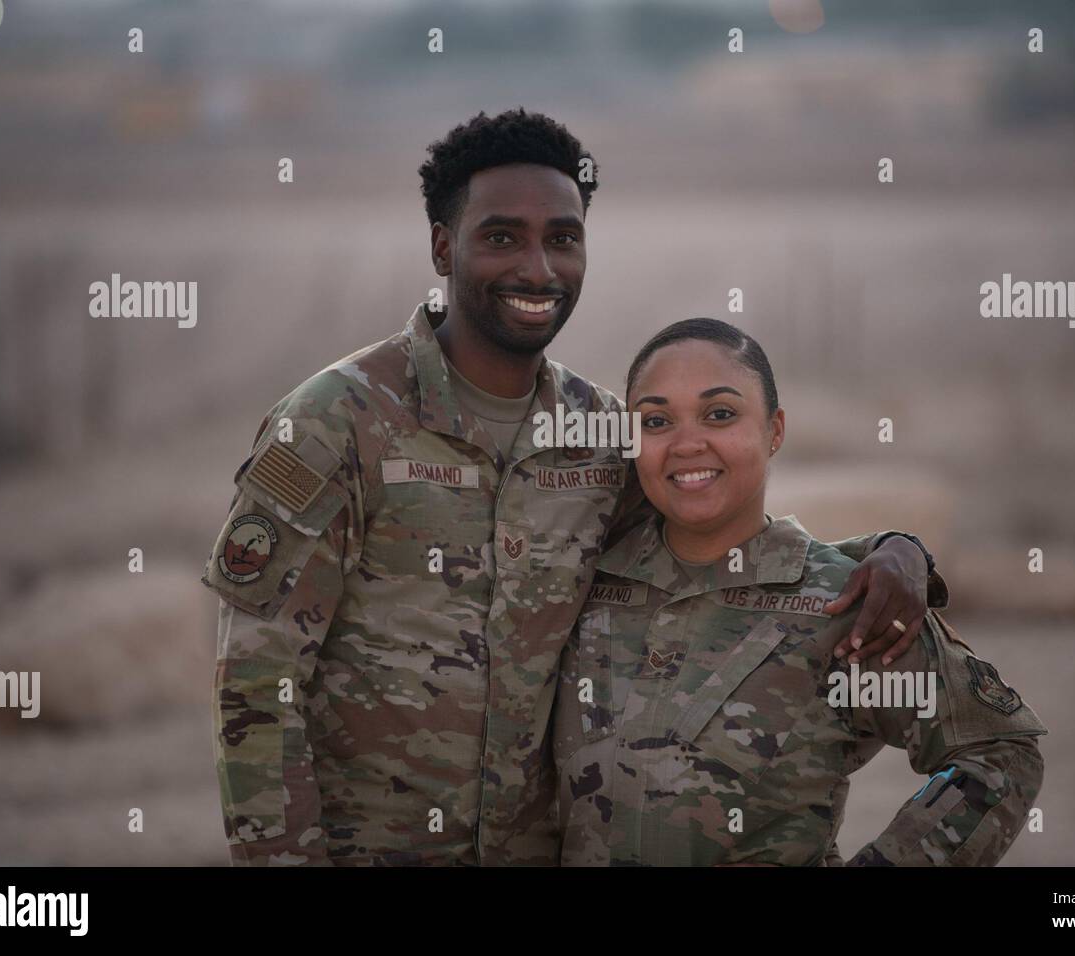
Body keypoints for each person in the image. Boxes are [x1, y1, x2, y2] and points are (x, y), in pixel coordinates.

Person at [202, 109, 948, 866]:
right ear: (441, 247)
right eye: (502, 237)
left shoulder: (602, 434)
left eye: (562, 238)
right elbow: (259, 690)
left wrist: (891, 550)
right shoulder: (337, 422)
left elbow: (710, 541)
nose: (538, 268)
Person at [554, 319, 1046, 866]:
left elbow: (1000, 751)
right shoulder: (582, 584)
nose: (688, 442)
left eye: (721, 414)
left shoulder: (843, 603)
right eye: (657, 420)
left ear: (775, 430)